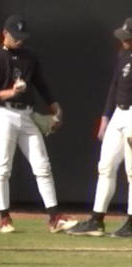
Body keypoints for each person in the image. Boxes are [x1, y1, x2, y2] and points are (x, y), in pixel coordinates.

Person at [0, 15, 77, 234]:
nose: (20, 40)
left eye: (22, 36)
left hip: (26, 115)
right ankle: (4, 217)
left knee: (42, 165)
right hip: (3, 114)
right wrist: (10, 92)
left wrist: (54, 107)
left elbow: (41, 83)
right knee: (3, 167)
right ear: (5, 33)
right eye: (16, 36)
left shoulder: (30, 57)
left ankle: (54, 217)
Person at [68, 17, 132, 238]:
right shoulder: (123, 55)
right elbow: (115, 86)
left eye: (127, 37)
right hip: (119, 114)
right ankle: (97, 220)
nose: (124, 40)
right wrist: (106, 116)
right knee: (105, 166)